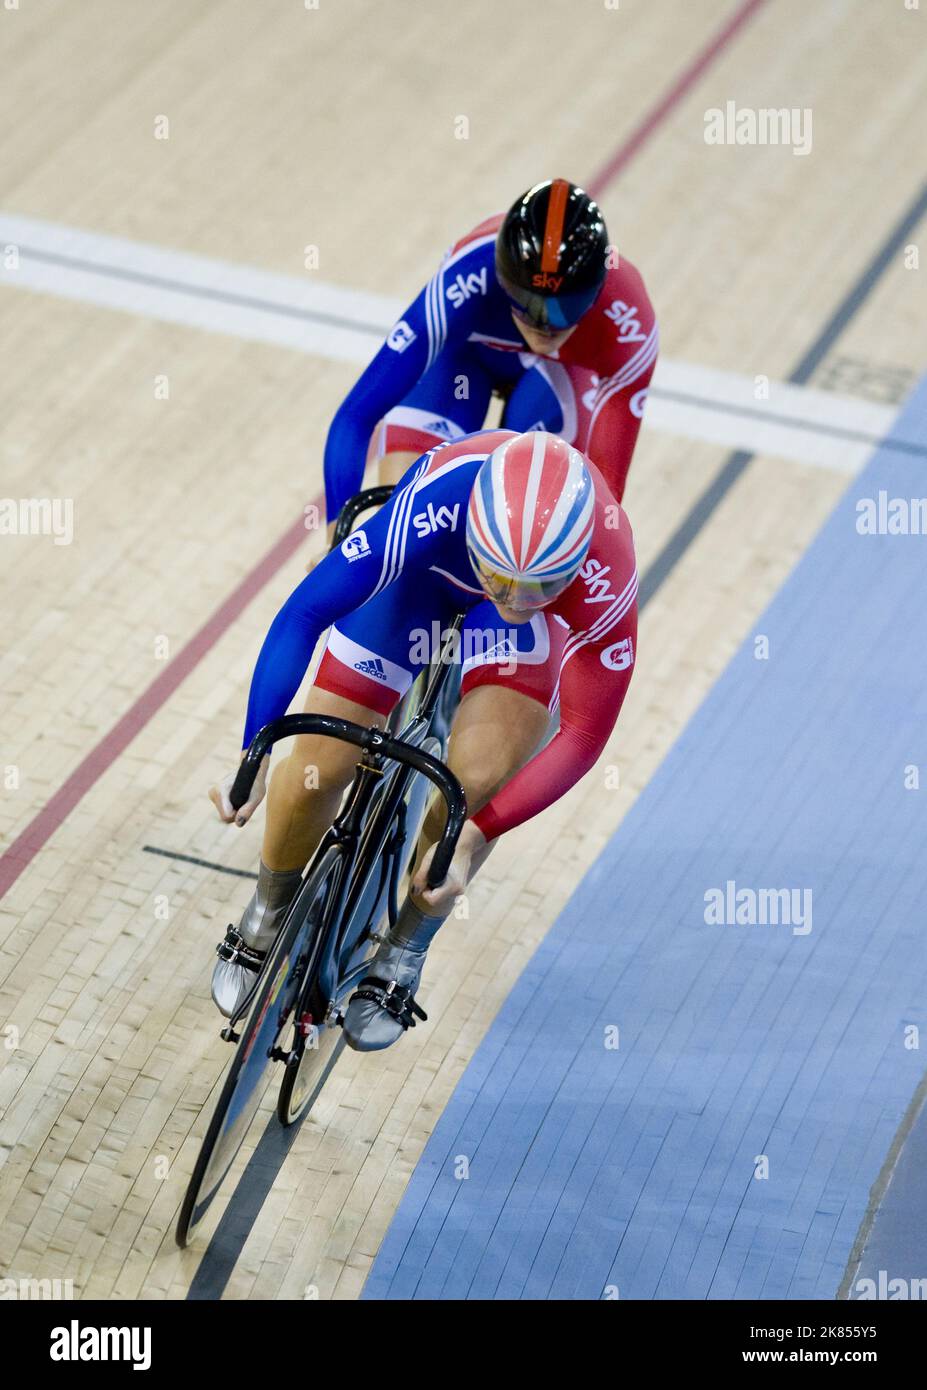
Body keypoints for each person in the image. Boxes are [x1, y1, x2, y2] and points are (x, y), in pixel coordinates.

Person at [211, 429, 639, 1052]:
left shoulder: (607, 566)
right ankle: (266, 912)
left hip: (505, 629)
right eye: (502, 576)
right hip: (425, 580)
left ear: (574, 565)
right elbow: (305, 611)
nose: (517, 599)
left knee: (475, 788)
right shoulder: (438, 498)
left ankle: (406, 948)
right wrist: (256, 747)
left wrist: (473, 837)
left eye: (540, 587)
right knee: (318, 770)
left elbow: (584, 733)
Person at [323, 178, 657, 523]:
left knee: (528, 526)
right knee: (402, 518)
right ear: (500, 278)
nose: (544, 325)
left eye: (564, 310)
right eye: (526, 303)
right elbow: (357, 415)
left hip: (558, 376)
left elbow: (604, 500)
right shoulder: (467, 274)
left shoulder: (629, 322)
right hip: (465, 362)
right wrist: (337, 535)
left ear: (597, 290)